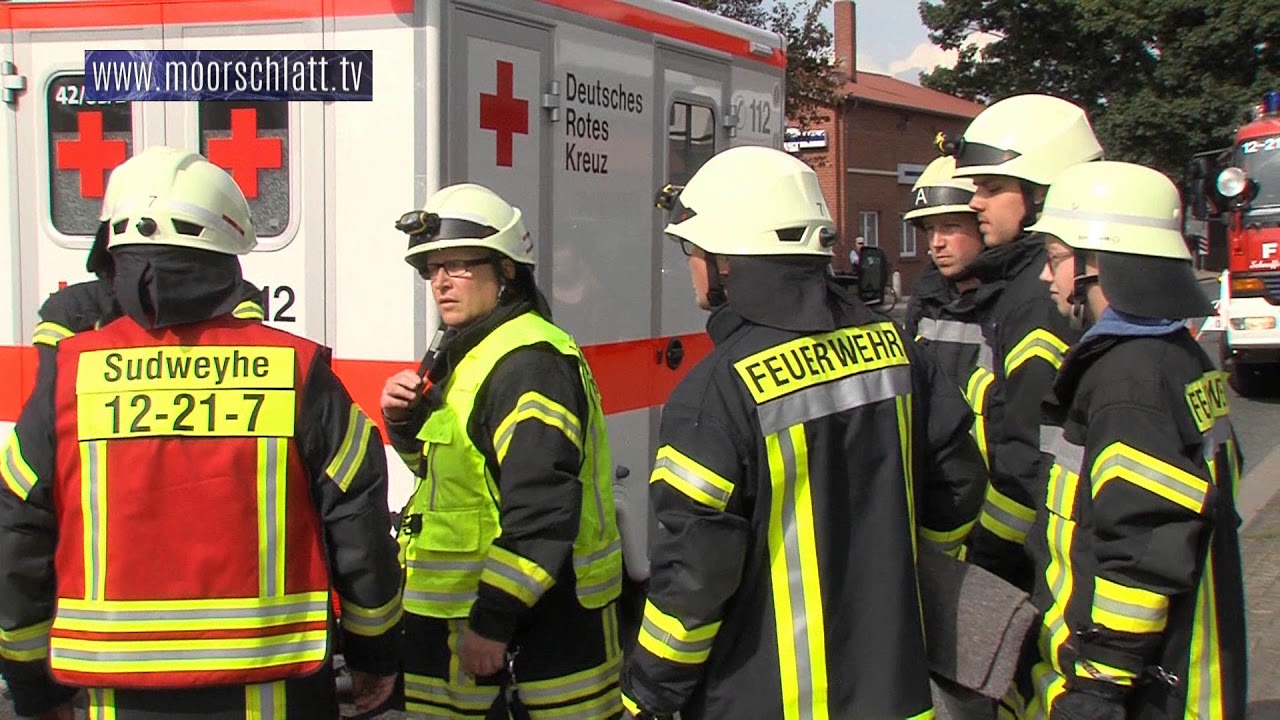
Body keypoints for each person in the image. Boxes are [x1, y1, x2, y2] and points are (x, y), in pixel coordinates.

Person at [0, 146, 403, 719]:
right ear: (227, 256)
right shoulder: (293, 369)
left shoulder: (70, 372)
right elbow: (358, 525)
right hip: (276, 687)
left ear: (115, 255)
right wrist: (375, 655)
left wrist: (31, 683)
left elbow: (18, 529)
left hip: (113, 695)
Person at [619, 145, 987, 719]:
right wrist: (900, 565)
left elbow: (693, 579)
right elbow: (960, 483)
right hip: (898, 694)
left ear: (727, 261)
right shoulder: (897, 348)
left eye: (693, 249)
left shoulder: (717, 390)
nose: (689, 263)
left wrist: (649, 694)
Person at [381, 183, 624, 719]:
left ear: (507, 269)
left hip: (531, 640)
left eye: (459, 266)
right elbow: (454, 479)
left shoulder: (528, 363)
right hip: (466, 633)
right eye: (431, 270)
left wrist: (492, 623)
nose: (441, 283)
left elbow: (540, 511)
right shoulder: (471, 350)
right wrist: (406, 423)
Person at [1023, 160, 1245, 719]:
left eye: (1055, 259)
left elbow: (1142, 551)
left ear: (1099, 261)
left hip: (1146, 692)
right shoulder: (1178, 356)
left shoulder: (1130, 381)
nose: (1047, 278)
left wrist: (1099, 687)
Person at [945, 93, 1102, 592]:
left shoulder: (1037, 299)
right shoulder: (1027, 283)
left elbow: (1026, 455)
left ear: (1043, 194)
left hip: (1038, 558)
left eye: (991, 188)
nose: (974, 203)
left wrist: (988, 561)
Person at [903, 157, 999, 473]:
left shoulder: (1014, 303)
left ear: (984, 227)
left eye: (951, 226)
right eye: (930, 229)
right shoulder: (926, 301)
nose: (936, 243)